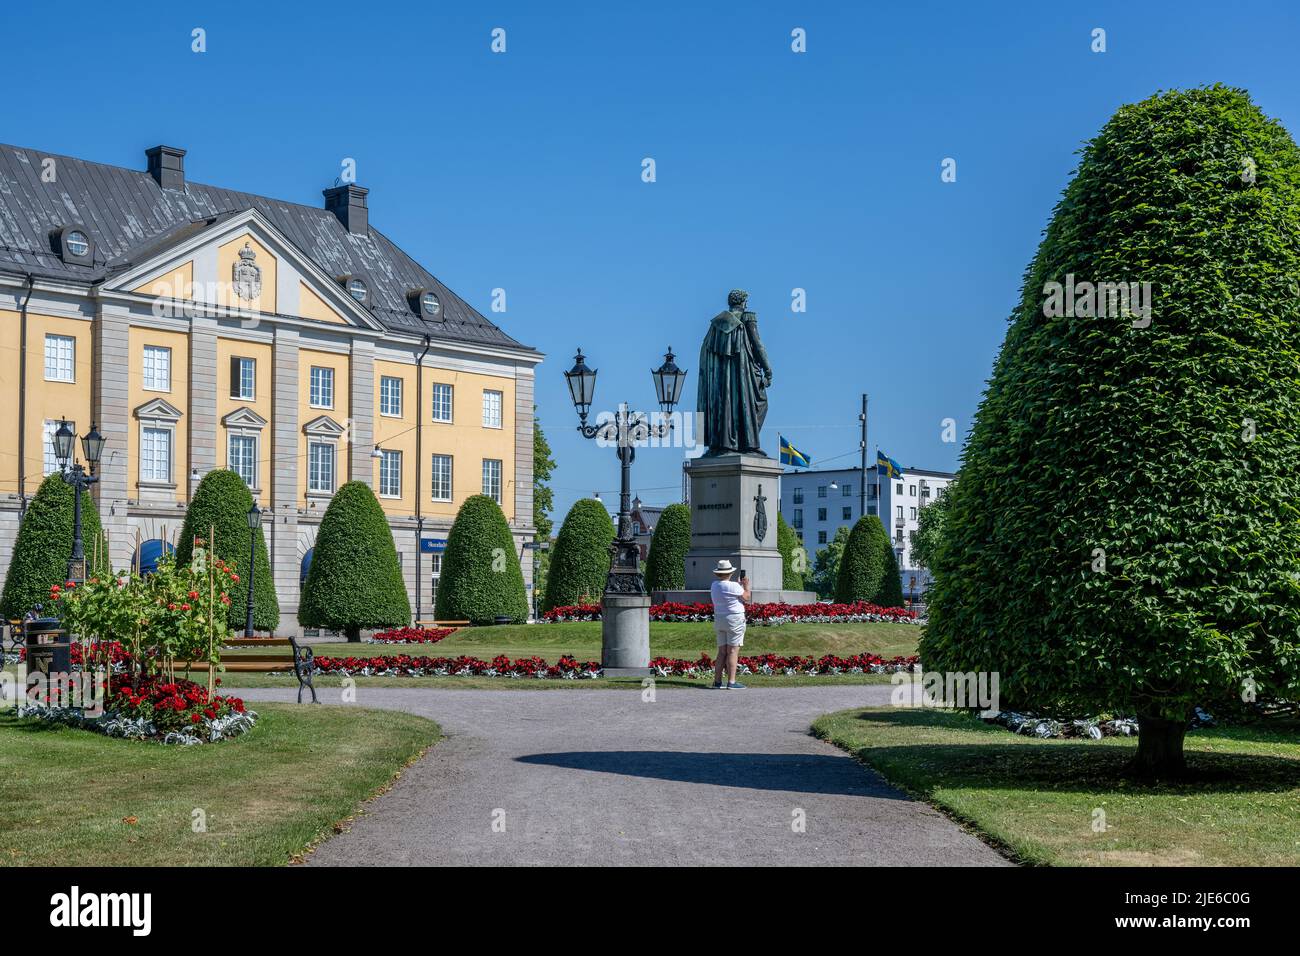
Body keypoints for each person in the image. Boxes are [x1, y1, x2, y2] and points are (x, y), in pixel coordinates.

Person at [709, 560, 751, 689]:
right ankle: (731, 682)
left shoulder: (714, 585)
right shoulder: (734, 586)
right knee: (733, 651)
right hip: (734, 619)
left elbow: (728, 591)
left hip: (720, 618)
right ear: (730, 572)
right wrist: (746, 586)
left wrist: (739, 585)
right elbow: (746, 597)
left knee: (722, 652)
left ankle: (717, 682)